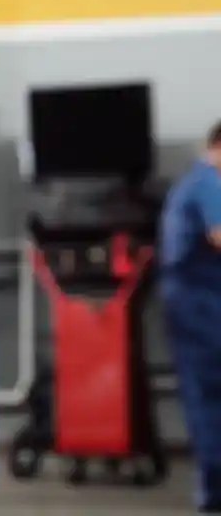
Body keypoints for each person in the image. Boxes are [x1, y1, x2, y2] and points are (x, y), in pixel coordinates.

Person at [158, 120, 221, 513]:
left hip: (198, 304)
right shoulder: (209, 183)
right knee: (208, 398)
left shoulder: (195, 184)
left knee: (207, 397)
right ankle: (213, 492)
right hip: (199, 307)